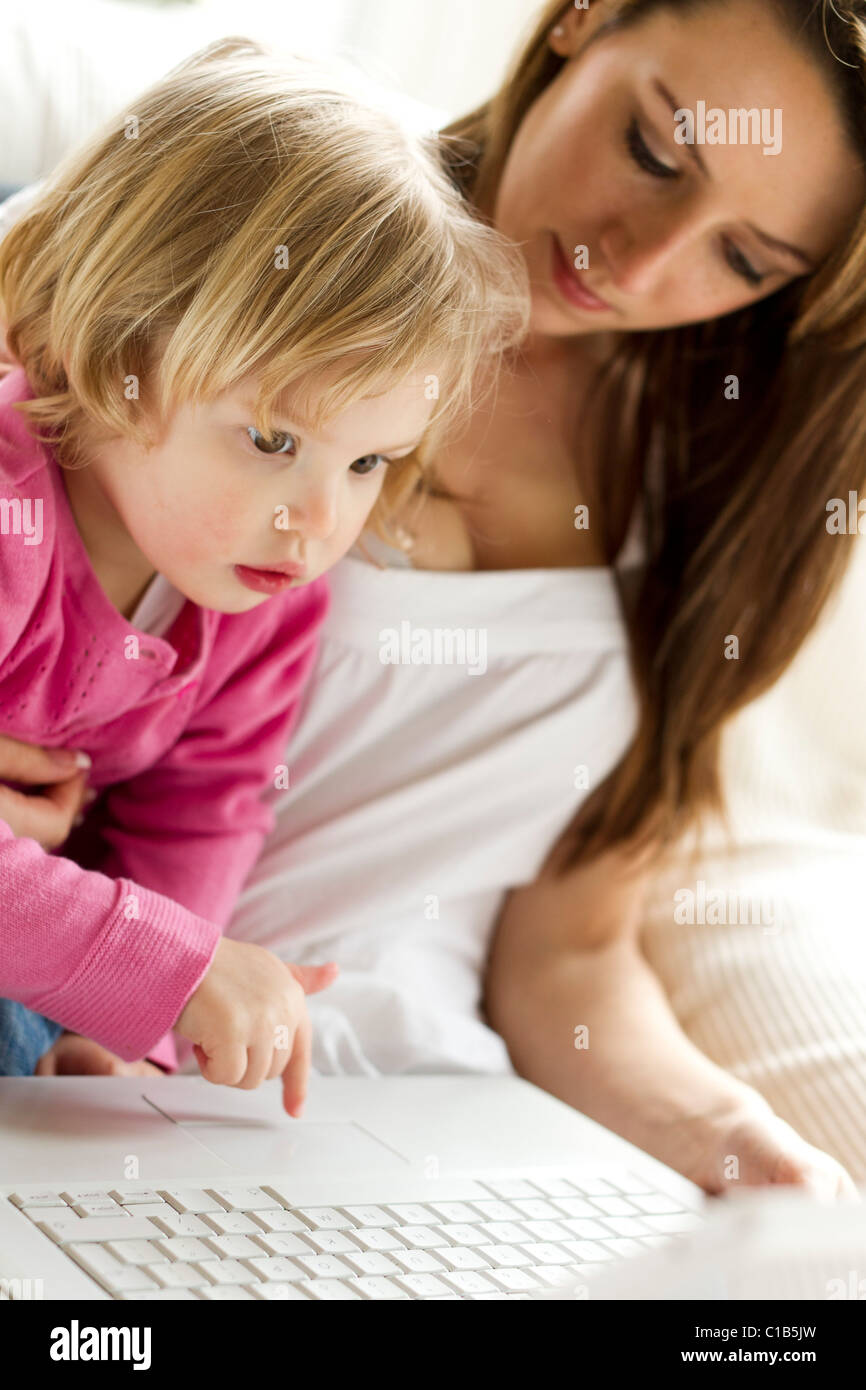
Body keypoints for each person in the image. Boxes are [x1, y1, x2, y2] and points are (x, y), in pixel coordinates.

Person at [3, 1, 865, 1196]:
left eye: (743, 259)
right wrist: (141, 987)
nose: (641, 259)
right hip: (112, 1030)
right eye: (654, 152)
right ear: (586, 17)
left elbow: (563, 953)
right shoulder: (251, 215)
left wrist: (739, 1146)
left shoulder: (720, 481)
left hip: (419, 1093)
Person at [0, 38, 527, 1107]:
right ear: (117, 351)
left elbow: (201, 812)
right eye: (275, 441)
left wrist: (130, 1036)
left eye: (368, 460)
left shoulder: (257, 597)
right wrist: (164, 966)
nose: (320, 520)